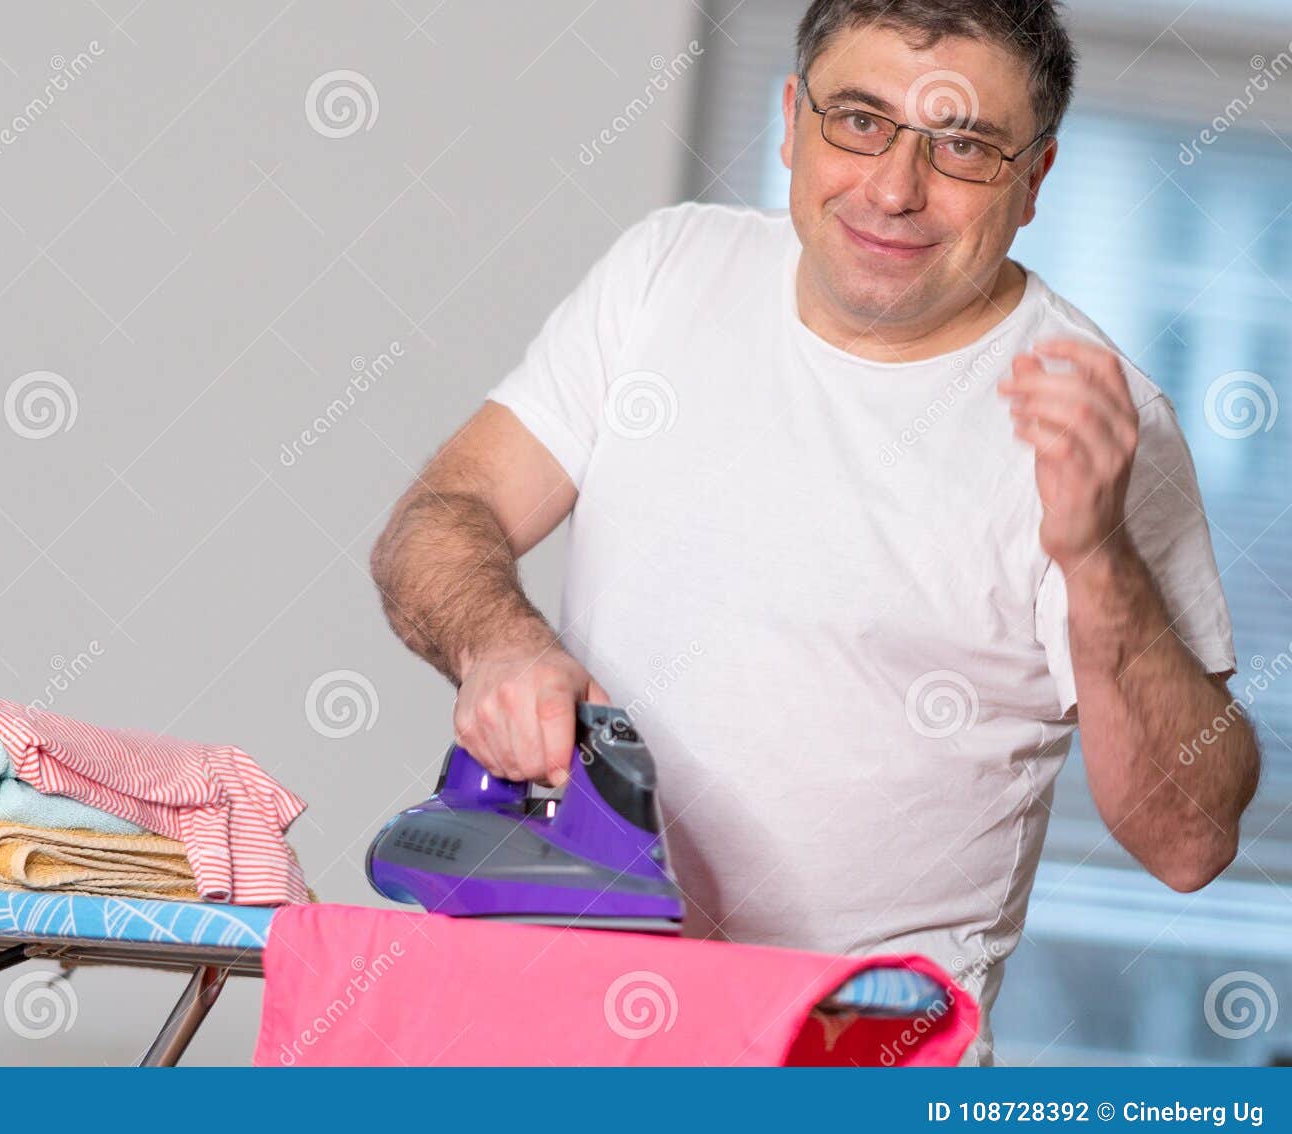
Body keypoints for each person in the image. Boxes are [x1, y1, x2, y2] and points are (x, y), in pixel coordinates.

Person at [368, 0, 1261, 1065]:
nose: (893, 187)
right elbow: (440, 518)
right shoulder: (666, 274)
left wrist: (1096, 560)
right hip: (568, 1020)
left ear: (1035, 179)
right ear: (792, 122)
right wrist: (499, 644)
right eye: (860, 120)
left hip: (855, 1060)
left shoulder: (1102, 419)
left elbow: (1189, 840)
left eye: (963, 145)